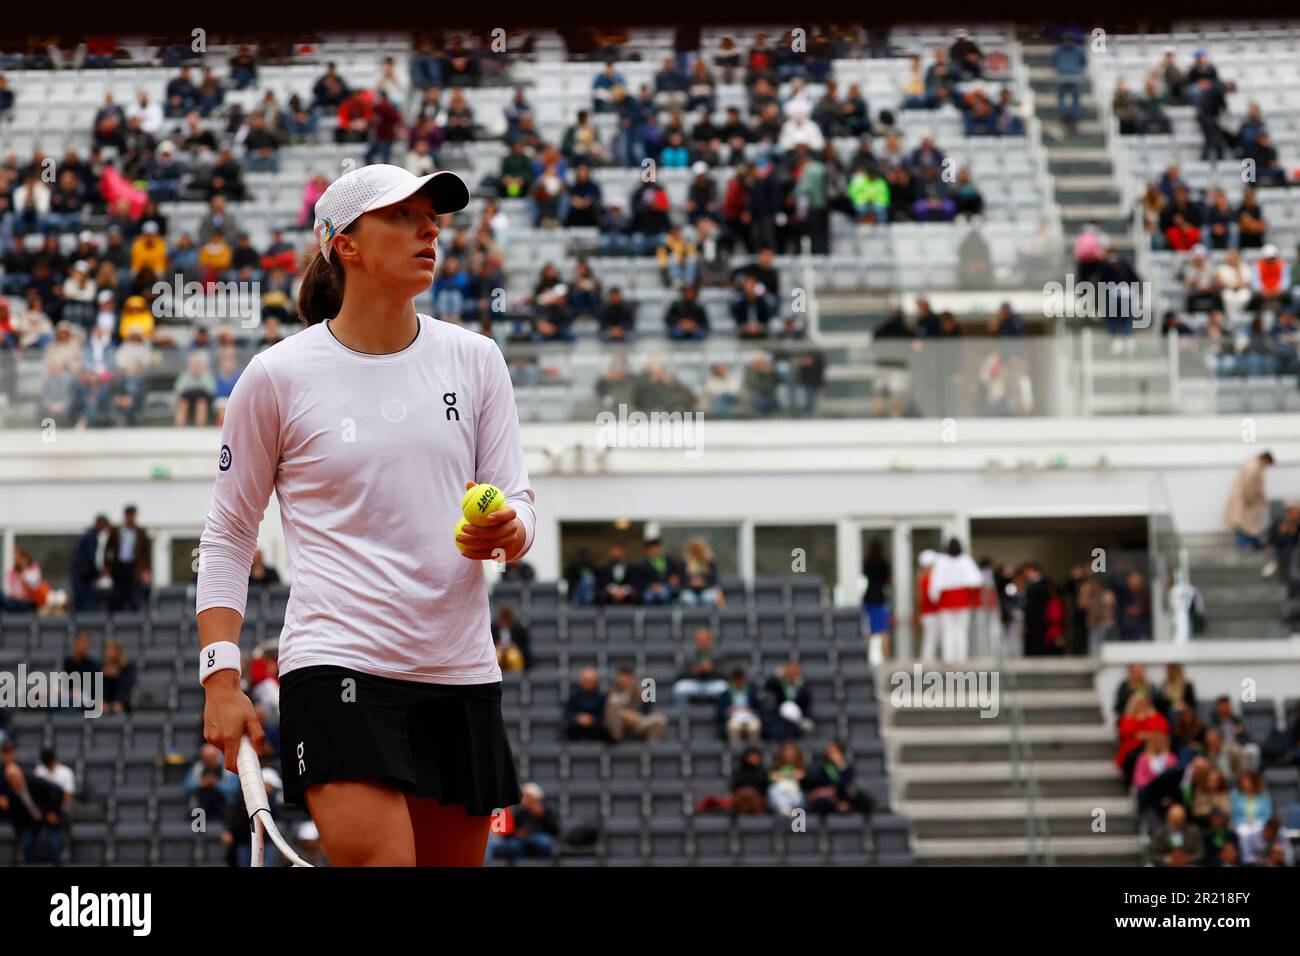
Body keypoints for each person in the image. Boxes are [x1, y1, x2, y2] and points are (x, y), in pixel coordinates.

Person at [198, 165, 534, 867]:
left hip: (462, 671)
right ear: (345, 245)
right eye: (403, 216)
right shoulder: (275, 377)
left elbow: (518, 501)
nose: (430, 228)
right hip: (337, 665)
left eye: (432, 216)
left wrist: (510, 531)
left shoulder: (477, 360)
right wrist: (222, 680)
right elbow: (229, 535)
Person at [928, 538, 982, 660]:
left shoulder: (942, 562)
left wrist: (934, 597)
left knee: (948, 631)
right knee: (961, 630)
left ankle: (949, 658)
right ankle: (961, 658)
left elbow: (935, 582)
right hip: (962, 598)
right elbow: (977, 580)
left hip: (946, 599)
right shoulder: (966, 561)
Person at [1223, 451, 1274, 566]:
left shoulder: (1253, 465)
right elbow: (1249, 485)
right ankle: (1247, 547)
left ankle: (1254, 546)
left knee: (1246, 525)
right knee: (1244, 525)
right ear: (1265, 460)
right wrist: (1251, 498)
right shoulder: (1254, 467)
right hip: (1246, 502)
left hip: (1246, 501)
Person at [488, 783, 560, 860]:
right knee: (512, 845)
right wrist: (518, 833)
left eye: (528, 797)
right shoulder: (520, 812)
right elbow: (511, 830)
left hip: (540, 835)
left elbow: (555, 830)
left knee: (544, 842)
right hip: (521, 839)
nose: (525, 800)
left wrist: (542, 816)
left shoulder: (547, 811)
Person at [804, 740, 873, 816]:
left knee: (864, 800)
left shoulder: (848, 768)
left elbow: (848, 784)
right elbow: (825, 784)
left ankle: (849, 807)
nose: (830, 755)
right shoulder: (825, 768)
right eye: (829, 752)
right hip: (831, 799)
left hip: (846, 797)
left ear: (840, 753)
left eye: (833, 752)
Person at [604, 667, 667, 743]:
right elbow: (609, 711)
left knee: (659, 719)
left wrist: (634, 716)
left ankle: (652, 750)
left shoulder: (642, 690)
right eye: (621, 677)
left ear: (631, 677)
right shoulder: (612, 690)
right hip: (619, 722)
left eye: (626, 677)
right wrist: (625, 714)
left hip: (637, 721)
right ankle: (616, 739)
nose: (623, 680)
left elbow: (647, 710)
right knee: (614, 702)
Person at [108, 504, 152, 612]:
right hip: (119, 566)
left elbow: (146, 553)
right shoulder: (116, 531)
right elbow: (108, 549)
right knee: (118, 593)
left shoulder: (140, 532)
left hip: (134, 567)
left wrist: (146, 570)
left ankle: (134, 617)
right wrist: (108, 566)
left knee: (135, 594)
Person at [672, 627, 729, 702]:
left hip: (711, 684)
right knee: (679, 688)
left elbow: (725, 674)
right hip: (695, 684)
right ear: (696, 641)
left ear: (710, 640)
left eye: (705, 640)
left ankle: (719, 711)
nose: (702, 643)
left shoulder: (718, 654)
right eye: (700, 640)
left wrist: (712, 669)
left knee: (724, 687)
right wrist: (693, 670)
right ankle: (683, 713)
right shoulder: (689, 655)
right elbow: (680, 675)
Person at [765, 660, 813, 740]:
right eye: (790, 670)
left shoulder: (803, 686)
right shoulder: (780, 684)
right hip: (780, 717)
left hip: (798, 718)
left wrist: (805, 717)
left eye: (794, 671)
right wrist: (777, 674)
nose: (792, 673)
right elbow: (768, 685)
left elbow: (807, 703)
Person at [716, 669, 763, 743]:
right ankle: (735, 750)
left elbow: (759, 708)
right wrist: (728, 711)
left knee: (755, 727)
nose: (739, 682)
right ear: (733, 681)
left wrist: (752, 710)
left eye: (741, 680)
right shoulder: (725, 694)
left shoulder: (752, 692)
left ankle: (753, 750)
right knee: (733, 727)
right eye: (737, 680)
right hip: (734, 717)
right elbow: (719, 712)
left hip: (749, 715)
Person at [564, 667, 606, 741]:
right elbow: (568, 712)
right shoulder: (573, 695)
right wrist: (578, 718)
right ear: (581, 681)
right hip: (575, 729)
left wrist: (592, 719)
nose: (589, 684)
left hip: (595, 730)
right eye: (587, 681)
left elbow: (603, 715)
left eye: (592, 681)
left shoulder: (601, 697)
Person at [679, 537, 723, 606]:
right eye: (695, 548)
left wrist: (704, 582)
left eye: (699, 548)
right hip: (690, 591)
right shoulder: (685, 563)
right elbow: (682, 580)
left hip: (707, 589)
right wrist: (691, 583)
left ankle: (708, 616)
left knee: (708, 597)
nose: (697, 551)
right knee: (687, 598)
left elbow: (715, 579)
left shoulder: (710, 562)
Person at [767, 742, 806, 818]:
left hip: (796, 796)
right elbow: (772, 777)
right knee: (773, 789)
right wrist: (790, 774)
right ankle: (785, 809)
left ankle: (786, 810)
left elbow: (802, 776)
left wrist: (781, 775)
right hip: (781, 795)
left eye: (791, 751)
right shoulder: (776, 765)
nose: (789, 753)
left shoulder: (801, 766)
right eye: (786, 751)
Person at [490, 605, 530, 673]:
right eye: (503, 618)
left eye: (507, 618)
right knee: (497, 656)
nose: (505, 621)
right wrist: (498, 646)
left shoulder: (519, 629)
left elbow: (524, 646)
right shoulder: (493, 628)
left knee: (512, 656)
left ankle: (516, 675)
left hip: (514, 653)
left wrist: (512, 646)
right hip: (498, 652)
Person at [730, 746, 769, 814]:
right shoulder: (739, 771)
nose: (754, 758)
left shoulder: (763, 771)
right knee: (745, 793)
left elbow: (764, 787)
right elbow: (735, 785)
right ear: (746, 758)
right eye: (752, 756)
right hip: (741, 797)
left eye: (756, 756)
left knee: (749, 793)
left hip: (758, 798)